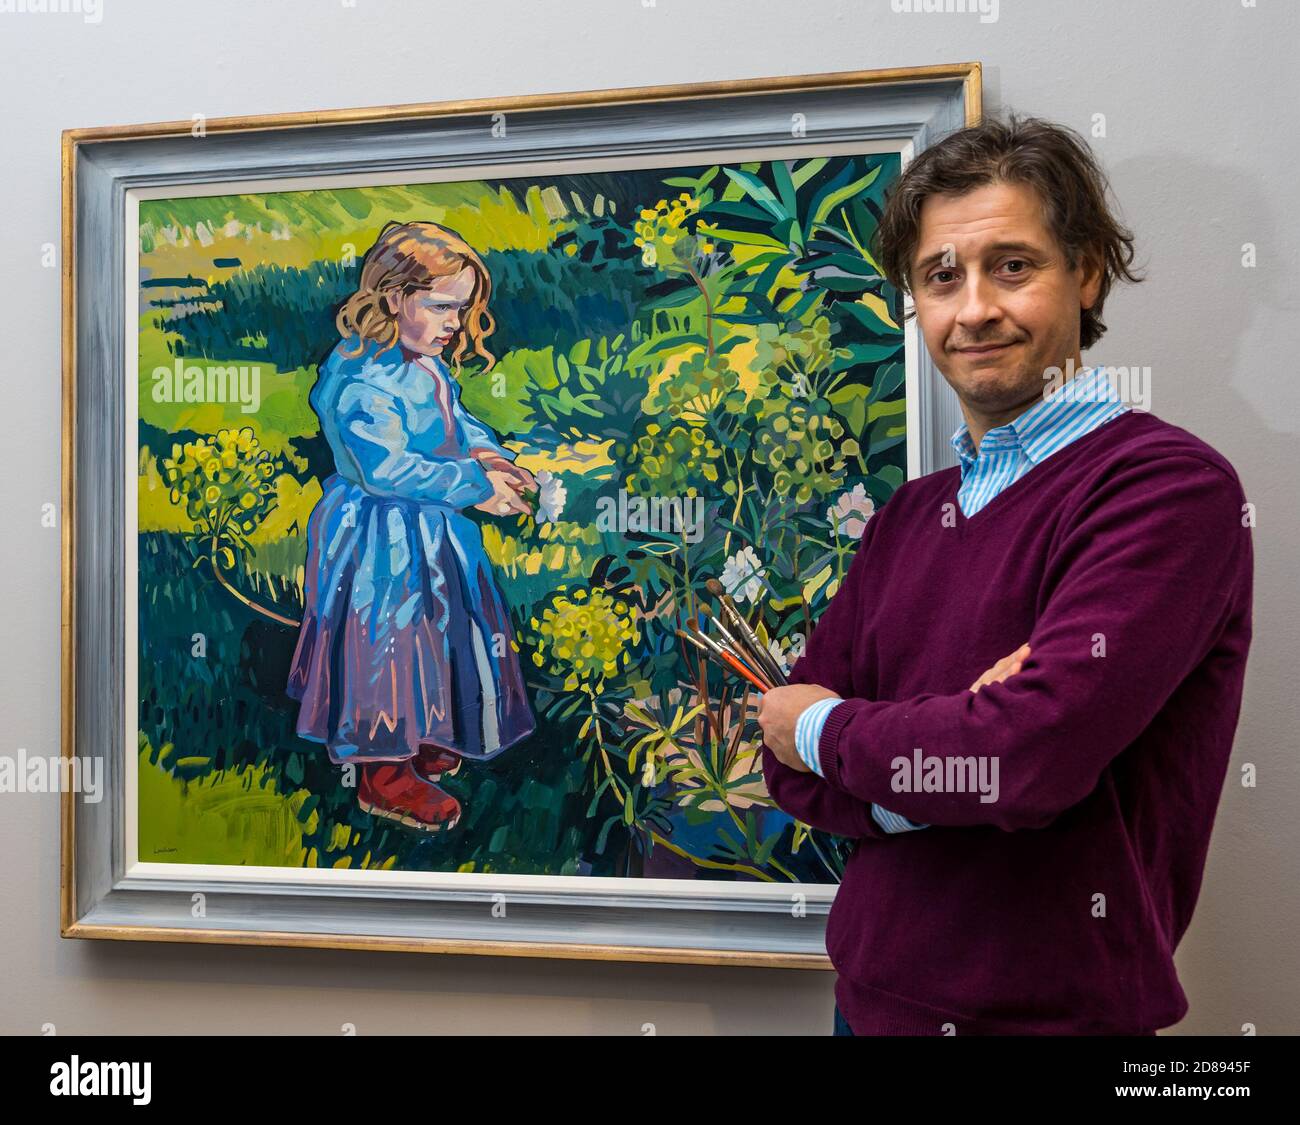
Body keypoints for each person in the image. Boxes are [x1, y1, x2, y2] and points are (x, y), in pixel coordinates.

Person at [757, 116, 1253, 1036]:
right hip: (862, 1009)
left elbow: (1023, 756)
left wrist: (830, 726)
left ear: (1089, 271)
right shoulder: (908, 515)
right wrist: (952, 756)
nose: (974, 307)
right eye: (941, 276)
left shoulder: (1168, 491)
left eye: (1012, 266)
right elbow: (782, 766)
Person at [287, 221, 538, 832]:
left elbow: (457, 421)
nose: (455, 322)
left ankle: (424, 731)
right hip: (378, 538)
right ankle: (383, 770)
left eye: (462, 308)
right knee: (386, 642)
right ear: (395, 298)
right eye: (442, 306)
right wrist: (476, 488)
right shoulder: (359, 376)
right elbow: (385, 467)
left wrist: (487, 455)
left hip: (433, 532)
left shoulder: (426, 363)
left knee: (439, 630)